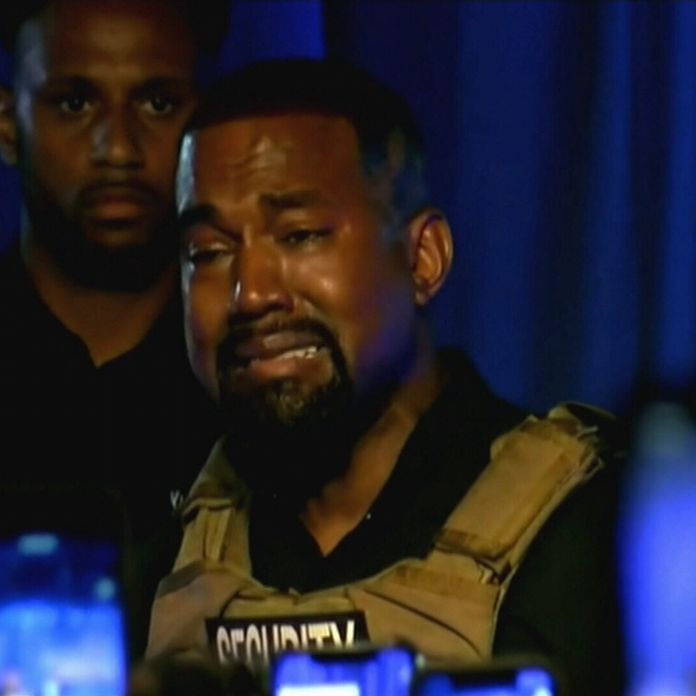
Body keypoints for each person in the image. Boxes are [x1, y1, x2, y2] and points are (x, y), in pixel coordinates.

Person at [147, 59, 624, 694]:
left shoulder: (587, 531)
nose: (251, 293)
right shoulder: (165, 537)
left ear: (423, 259)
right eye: (208, 253)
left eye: (300, 235)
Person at [0, 0, 228, 658]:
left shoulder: (260, 378)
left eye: (158, 103)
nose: (119, 148)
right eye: (75, 104)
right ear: (8, 125)